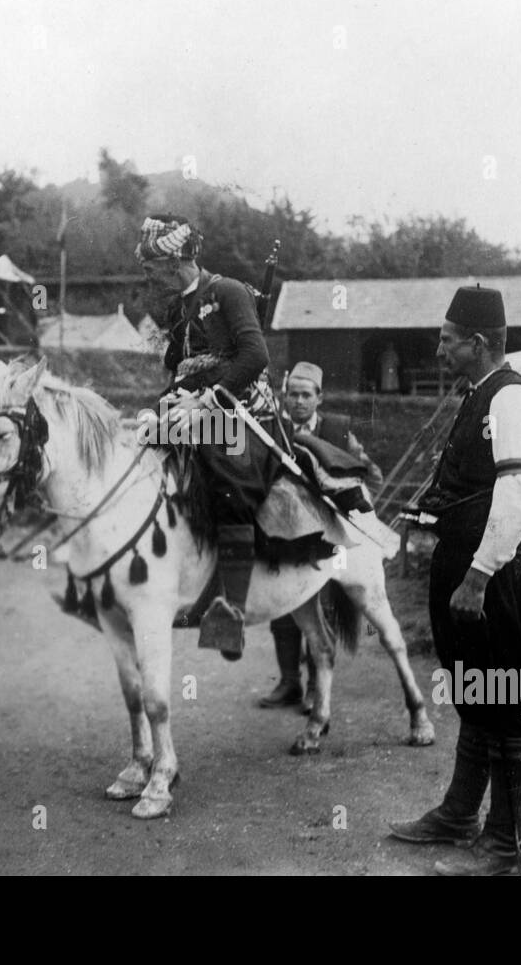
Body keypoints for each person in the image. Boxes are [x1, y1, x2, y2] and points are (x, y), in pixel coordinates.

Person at [387, 285, 521, 876]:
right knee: (477, 696)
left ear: (479, 343)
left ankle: (505, 845)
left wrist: (478, 576)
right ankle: (460, 814)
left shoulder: (510, 400)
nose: (438, 350)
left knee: (507, 702)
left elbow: (518, 496)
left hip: (496, 576)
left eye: (446, 340)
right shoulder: (477, 395)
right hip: (464, 565)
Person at [137, 214, 283, 659]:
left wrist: (208, 402)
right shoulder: (177, 307)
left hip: (241, 411)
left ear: (175, 260)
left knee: (227, 480)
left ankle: (230, 612)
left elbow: (255, 355)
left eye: (150, 264)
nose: (147, 272)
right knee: (142, 452)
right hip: (189, 407)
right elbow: (181, 369)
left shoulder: (227, 292)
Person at [260, 361, 384, 709]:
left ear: (320, 398)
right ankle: (289, 683)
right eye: (292, 395)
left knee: (324, 608)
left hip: (327, 538)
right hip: (287, 533)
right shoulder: (274, 430)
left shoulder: (338, 431)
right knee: (283, 608)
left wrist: (357, 515)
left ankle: (317, 685)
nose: (298, 401)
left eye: (306, 395)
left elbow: (369, 475)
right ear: (283, 397)